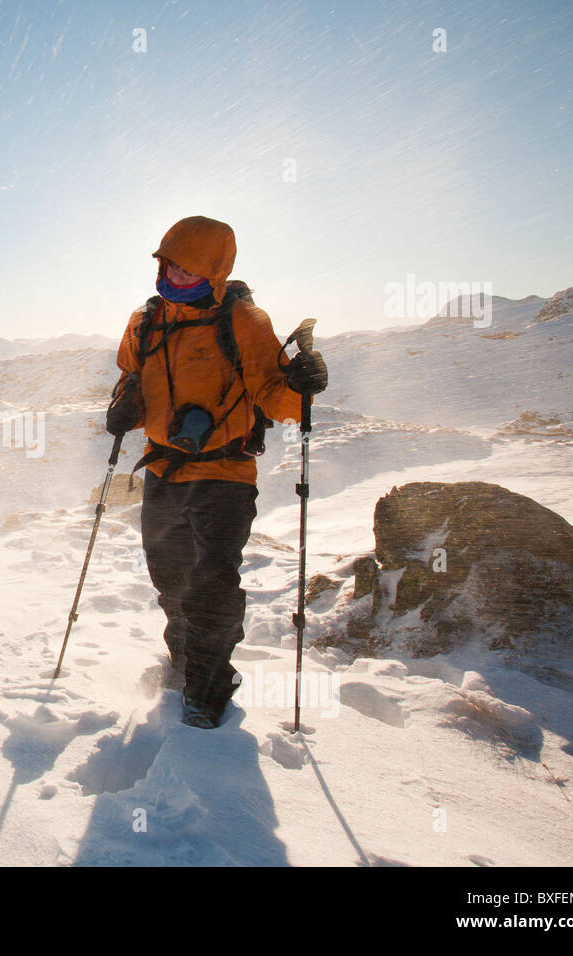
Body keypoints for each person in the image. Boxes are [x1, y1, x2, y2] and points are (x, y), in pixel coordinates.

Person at [106, 216, 327, 728]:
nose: (177, 276)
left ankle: (208, 689)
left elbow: (272, 394)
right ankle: (183, 662)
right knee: (170, 580)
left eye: (190, 268)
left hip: (224, 474)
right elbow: (132, 380)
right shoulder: (145, 321)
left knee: (211, 584)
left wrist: (300, 386)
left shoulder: (244, 320)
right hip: (163, 471)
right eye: (170, 265)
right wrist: (123, 409)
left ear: (216, 270)